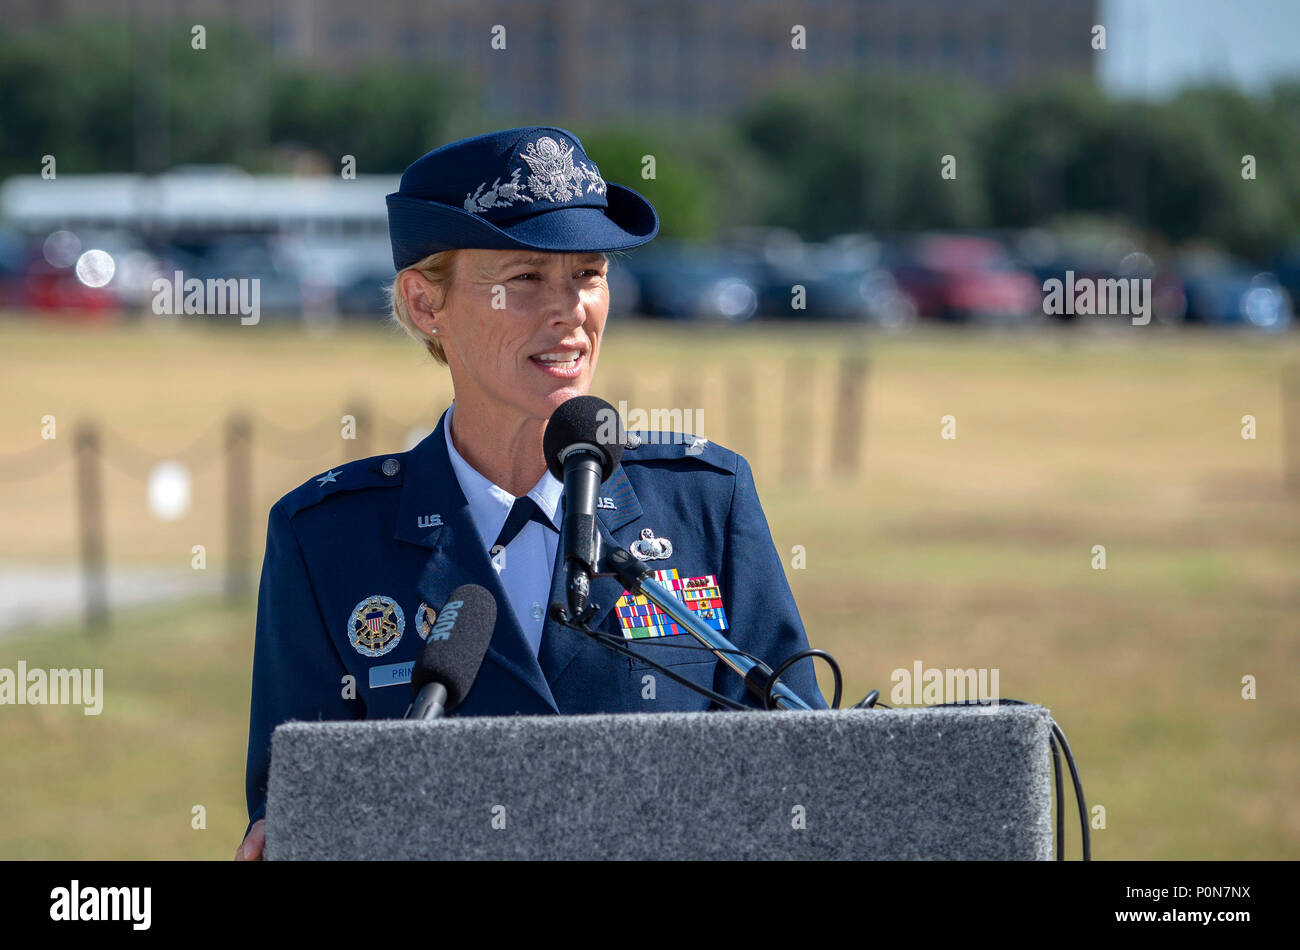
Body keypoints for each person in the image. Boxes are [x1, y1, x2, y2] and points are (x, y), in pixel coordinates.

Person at [235, 127, 826, 860]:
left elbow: (804, 786)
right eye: (524, 279)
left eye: (588, 274)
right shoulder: (325, 540)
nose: (569, 311)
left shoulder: (706, 503)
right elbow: (297, 815)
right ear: (426, 305)